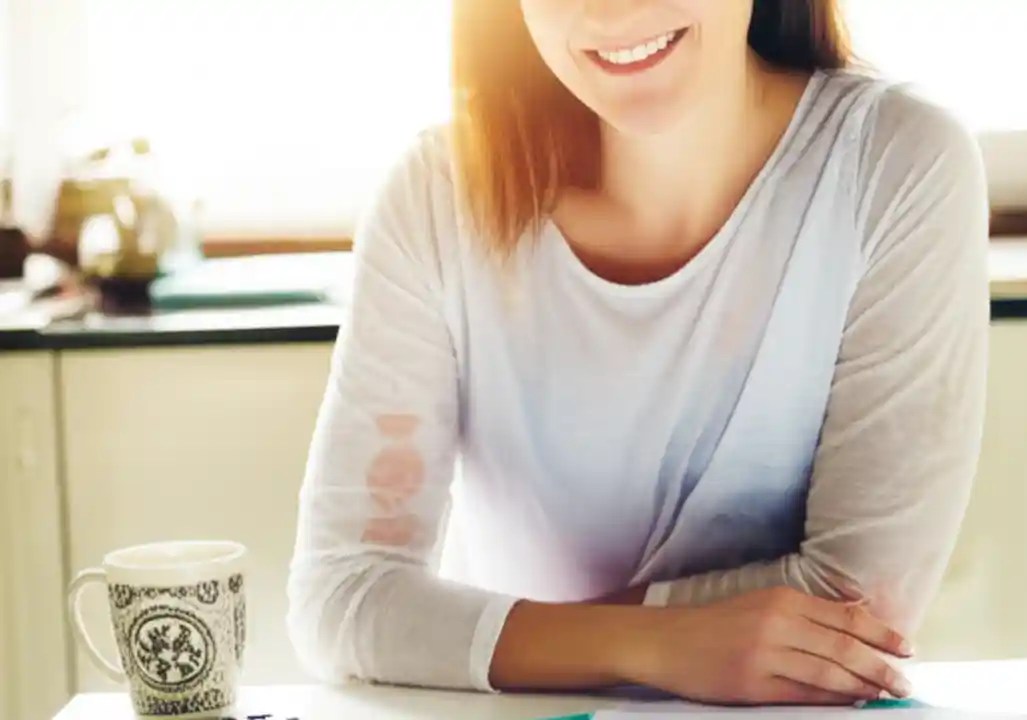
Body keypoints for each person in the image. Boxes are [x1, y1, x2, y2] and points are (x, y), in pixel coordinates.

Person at [287, 0, 989, 706]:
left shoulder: (895, 161)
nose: (613, 11)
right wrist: (655, 645)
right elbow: (345, 598)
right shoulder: (434, 196)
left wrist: (501, 635)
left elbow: (854, 614)